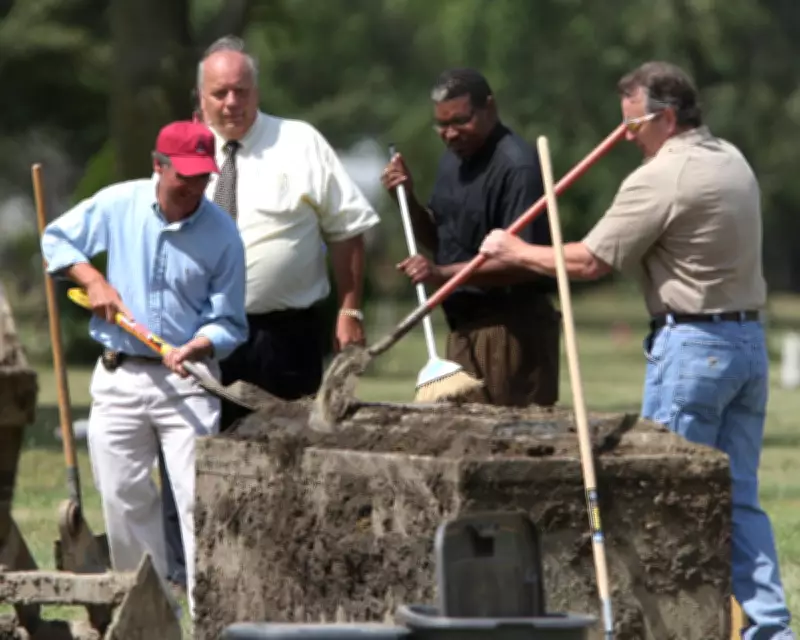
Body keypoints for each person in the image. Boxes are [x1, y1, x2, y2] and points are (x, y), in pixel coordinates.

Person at [478, 61, 794, 640]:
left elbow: (589, 261)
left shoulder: (664, 176)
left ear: (666, 118)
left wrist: (513, 250)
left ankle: (671, 629)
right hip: (747, 346)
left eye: (632, 125)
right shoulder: (732, 158)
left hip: (693, 350)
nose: (626, 137)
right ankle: (770, 631)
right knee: (739, 499)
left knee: (665, 496)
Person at [41, 120, 248, 618]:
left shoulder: (223, 234)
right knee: (122, 497)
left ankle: (211, 618)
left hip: (190, 381)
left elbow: (229, 321)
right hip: (119, 374)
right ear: (159, 166)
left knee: (198, 501)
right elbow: (56, 240)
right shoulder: (118, 203)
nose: (195, 187)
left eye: (204, 176)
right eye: (185, 176)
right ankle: (151, 617)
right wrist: (92, 279)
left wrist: (199, 344)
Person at [196, 34, 380, 426]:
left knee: (290, 445)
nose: (232, 102)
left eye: (241, 91)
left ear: (257, 92)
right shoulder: (184, 151)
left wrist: (349, 309)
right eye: (220, 93)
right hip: (202, 333)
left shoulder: (300, 142)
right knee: (205, 446)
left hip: (284, 337)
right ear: (201, 97)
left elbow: (347, 229)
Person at [381, 67, 560, 407]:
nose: (450, 134)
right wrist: (407, 200)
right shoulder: (453, 161)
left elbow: (526, 263)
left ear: (489, 108)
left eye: (460, 121)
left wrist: (442, 275)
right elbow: (442, 243)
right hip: (463, 329)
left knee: (508, 436)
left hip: (510, 332)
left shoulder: (516, 167)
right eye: (441, 125)